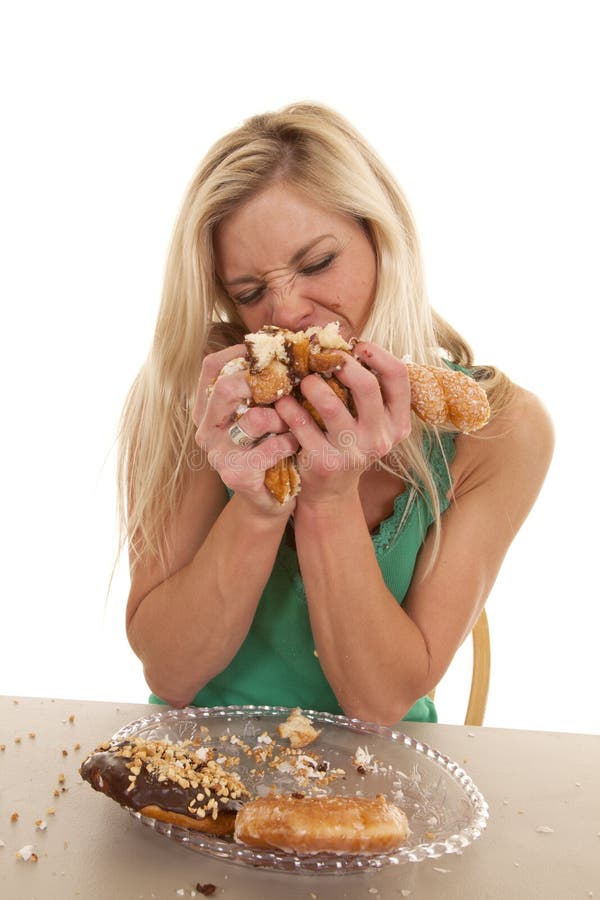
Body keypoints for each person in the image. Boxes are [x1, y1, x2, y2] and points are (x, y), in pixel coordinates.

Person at [118, 102, 553, 725]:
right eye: (250, 292)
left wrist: (326, 496)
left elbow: (381, 702)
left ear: (382, 236)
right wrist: (261, 502)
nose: (288, 310)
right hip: (197, 766)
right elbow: (172, 673)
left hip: (382, 784)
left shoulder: (499, 429)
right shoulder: (201, 397)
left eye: (317, 263)